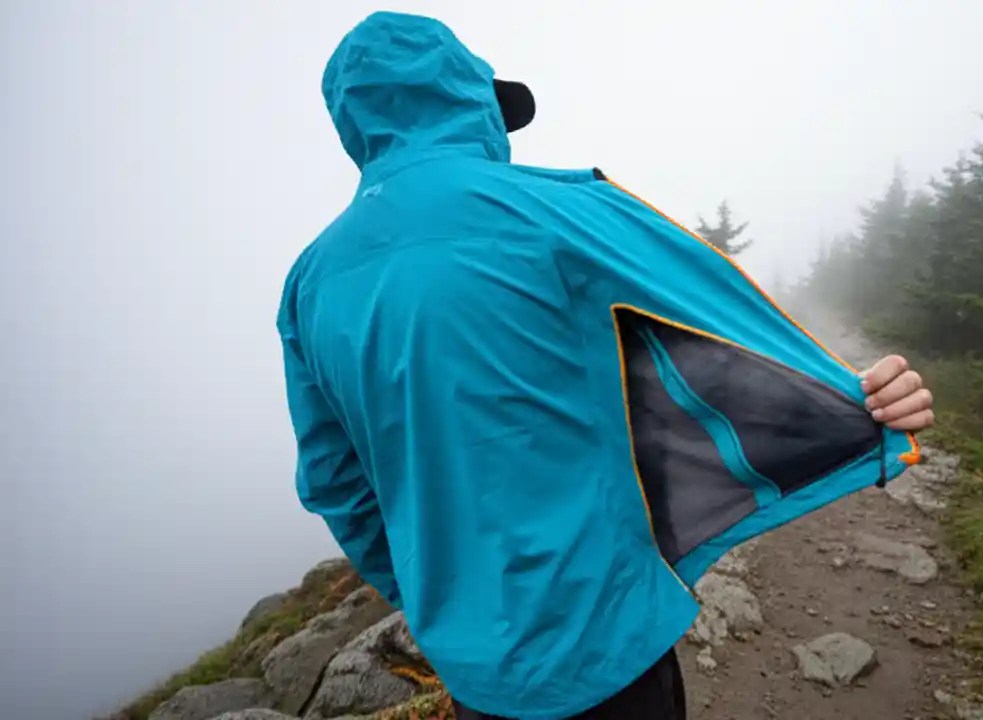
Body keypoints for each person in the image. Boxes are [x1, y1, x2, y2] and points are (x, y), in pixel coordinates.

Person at [278, 11, 934, 720]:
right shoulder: (561, 210)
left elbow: (336, 483)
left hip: (473, 669)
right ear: (468, 99)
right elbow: (721, 319)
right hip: (609, 644)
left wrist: (428, 592)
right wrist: (858, 402)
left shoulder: (308, 286)